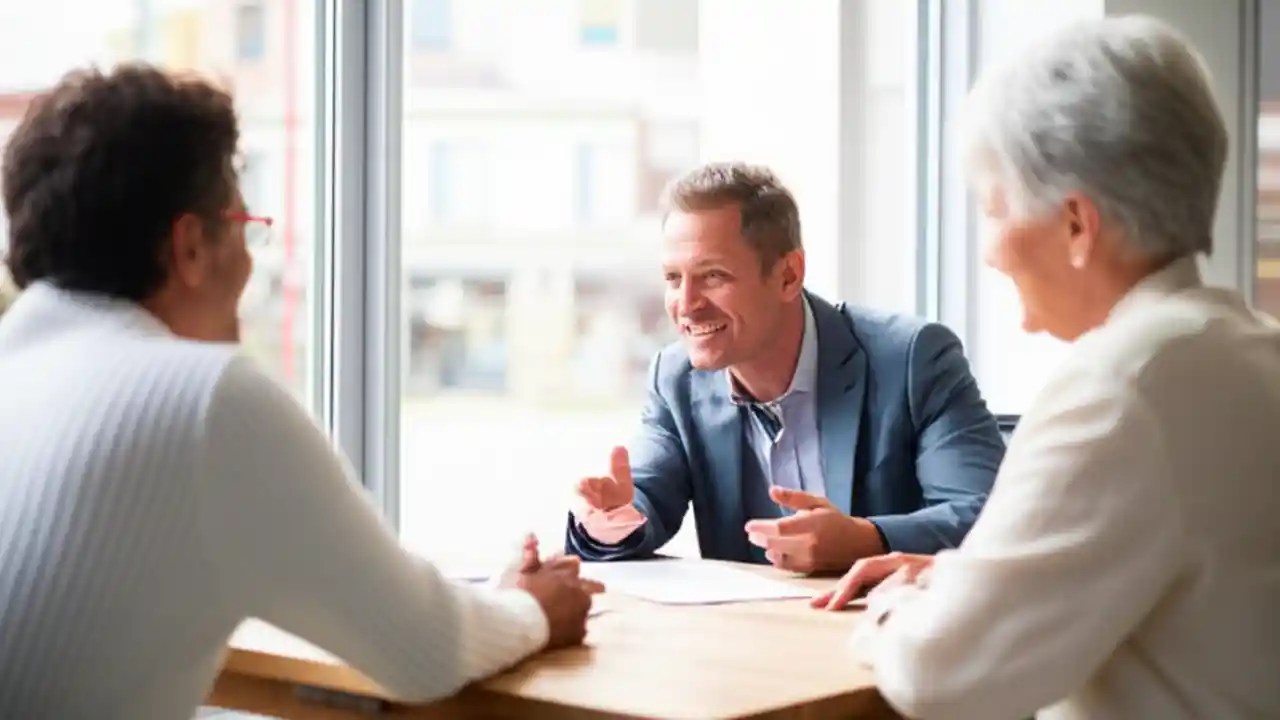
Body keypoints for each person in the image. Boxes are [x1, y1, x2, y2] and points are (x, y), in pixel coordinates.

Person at [0, 65, 601, 719]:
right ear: (192, 245)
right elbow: (424, 650)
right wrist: (535, 610)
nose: (252, 259)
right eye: (243, 223)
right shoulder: (203, 399)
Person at [813, 16, 1280, 719]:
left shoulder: (1121, 388)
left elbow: (943, 676)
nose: (989, 251)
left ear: (1076, 225)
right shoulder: (1247, 352)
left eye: (994, 209)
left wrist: (900, 607)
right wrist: (969, 580)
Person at [565, 162, 1004, 573]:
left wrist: (866, 538)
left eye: (713, 275)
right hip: (756, 640)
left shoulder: (913, 359)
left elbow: (986, 516)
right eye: (673, 279)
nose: (686, 305)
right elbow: (645, 497)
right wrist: (613, 519)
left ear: (789, 275)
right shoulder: (675, 377)